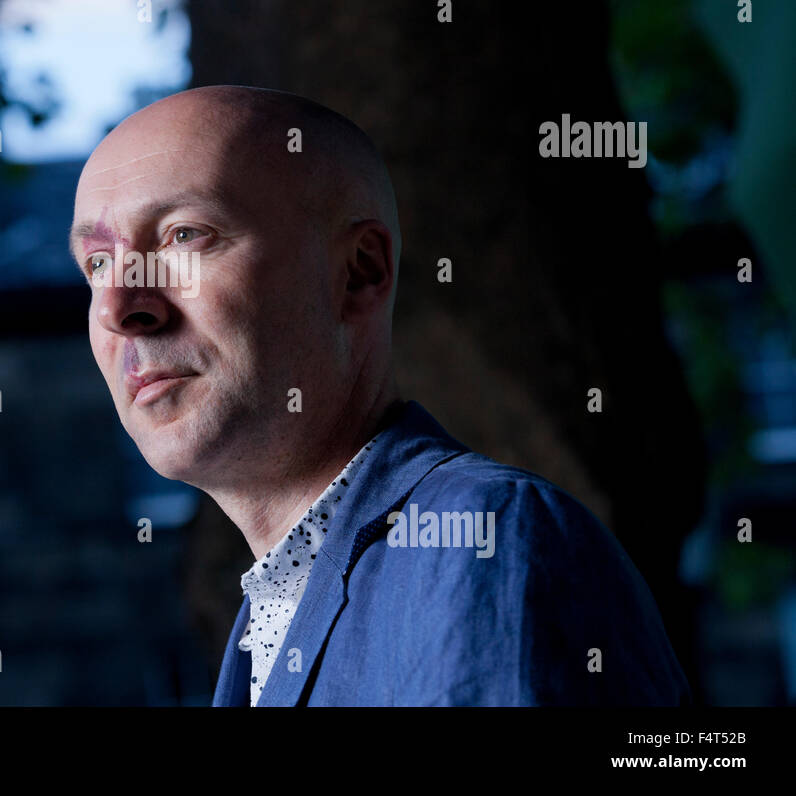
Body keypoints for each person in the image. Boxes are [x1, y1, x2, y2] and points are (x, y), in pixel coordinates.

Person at [69, 84, 691, 705]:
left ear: (360, 272)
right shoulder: (269, 620)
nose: (120, 307)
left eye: (184, 235)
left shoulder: (482, 539)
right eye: (96, 263)